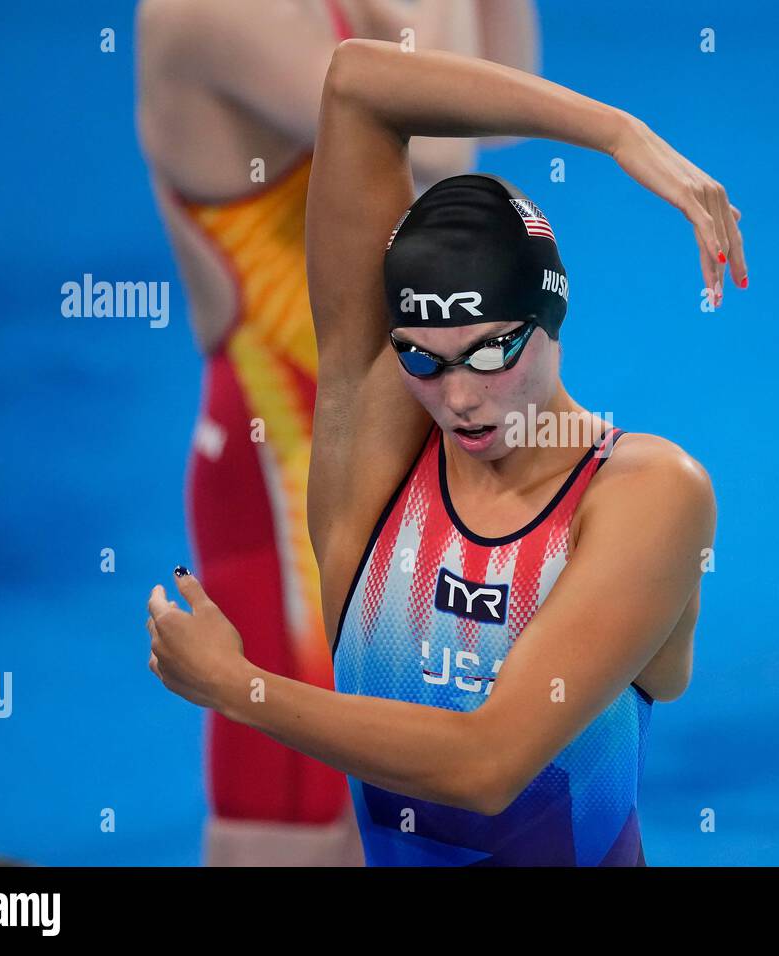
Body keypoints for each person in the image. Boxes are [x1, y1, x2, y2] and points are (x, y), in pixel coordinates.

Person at [147, 36, 745, 865]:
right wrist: (608, 130)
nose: (459, 397)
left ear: (551, 322)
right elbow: (356, 82)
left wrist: (235, 686)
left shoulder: (648, 493)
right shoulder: (375, 466)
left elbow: (487, 764)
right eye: (422, 358)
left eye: (494, 350)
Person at [135, 0, 540, 865]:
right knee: (291, 828)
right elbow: (442, 143)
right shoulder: (205, 12)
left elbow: (514, 78)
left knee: (403, 812)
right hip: (290, 484)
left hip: (397, 463)